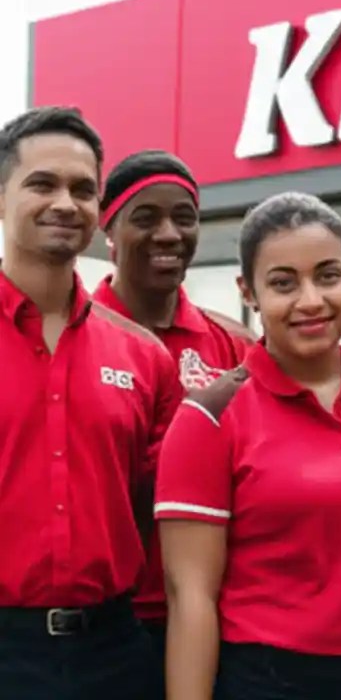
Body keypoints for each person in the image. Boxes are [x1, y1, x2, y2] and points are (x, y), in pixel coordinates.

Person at [154, 193, 341, 700]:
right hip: (272, 678)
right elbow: (191, 600)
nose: (311, 300)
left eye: (328, 275)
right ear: (248, 292)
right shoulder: (210, 416)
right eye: (283, 283)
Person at [0, 106, 181, 700]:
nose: (65, 203)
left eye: (83, 189)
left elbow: (163, 503)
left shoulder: (144, 356)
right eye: (42, 184)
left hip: (115, 651)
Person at [93, 149, 255, 652]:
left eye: (184, 219)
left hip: (213, 612)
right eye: (145, 219)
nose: (168, 234)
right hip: (113, 619)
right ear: (109, 234)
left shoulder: (231, 344)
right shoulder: (78, 336)